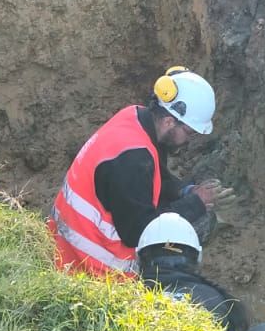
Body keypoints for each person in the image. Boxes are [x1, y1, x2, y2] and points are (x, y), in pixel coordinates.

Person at [48, 66, 232, 279]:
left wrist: (187, 192)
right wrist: (196, 204)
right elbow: (139, 231)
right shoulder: (133, 160)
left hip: (66, 242)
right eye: (189, 132)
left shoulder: (134, 118)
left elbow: (155, 177)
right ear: (170, 121)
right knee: (187, 234)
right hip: (89, 266)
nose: (189, 139)